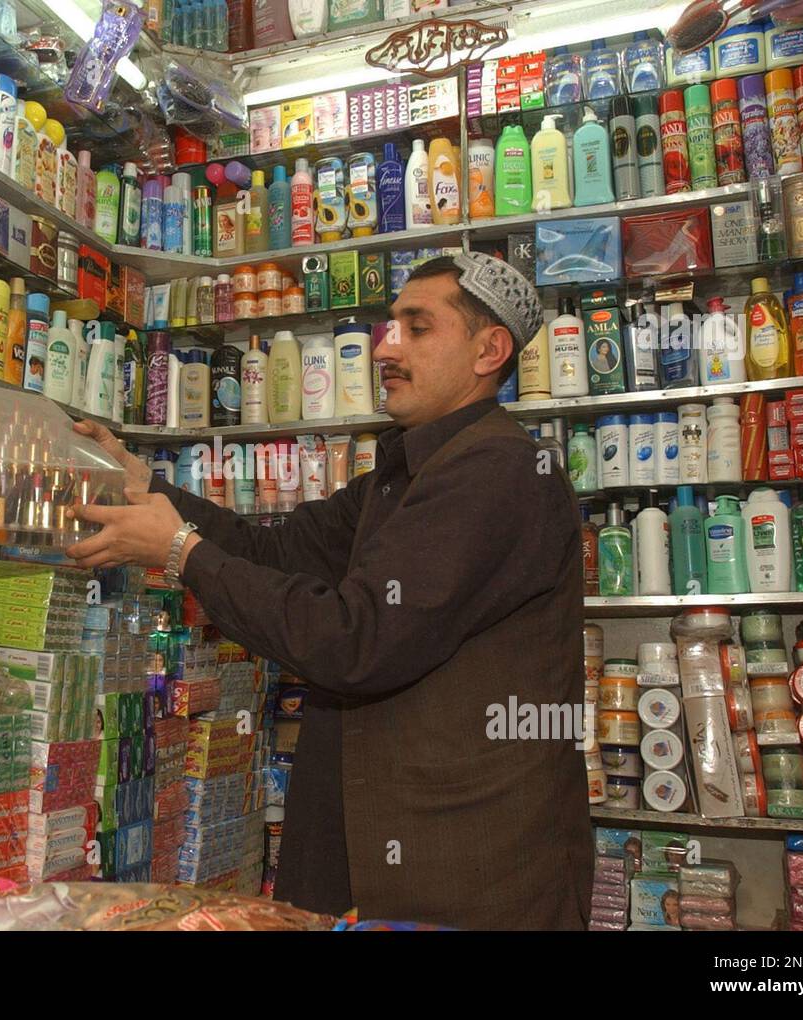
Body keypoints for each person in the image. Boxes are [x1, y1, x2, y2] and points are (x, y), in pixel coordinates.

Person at [68, 252, 592, 929]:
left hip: (468, 871)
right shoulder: (400, 474)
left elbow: (356, 639)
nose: (387, 347)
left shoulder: (500, 472)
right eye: (388, 327)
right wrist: (149, 488)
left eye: (417, 328)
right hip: (378, 851)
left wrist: (179, 551)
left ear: (488, 350)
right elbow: (276, 551)